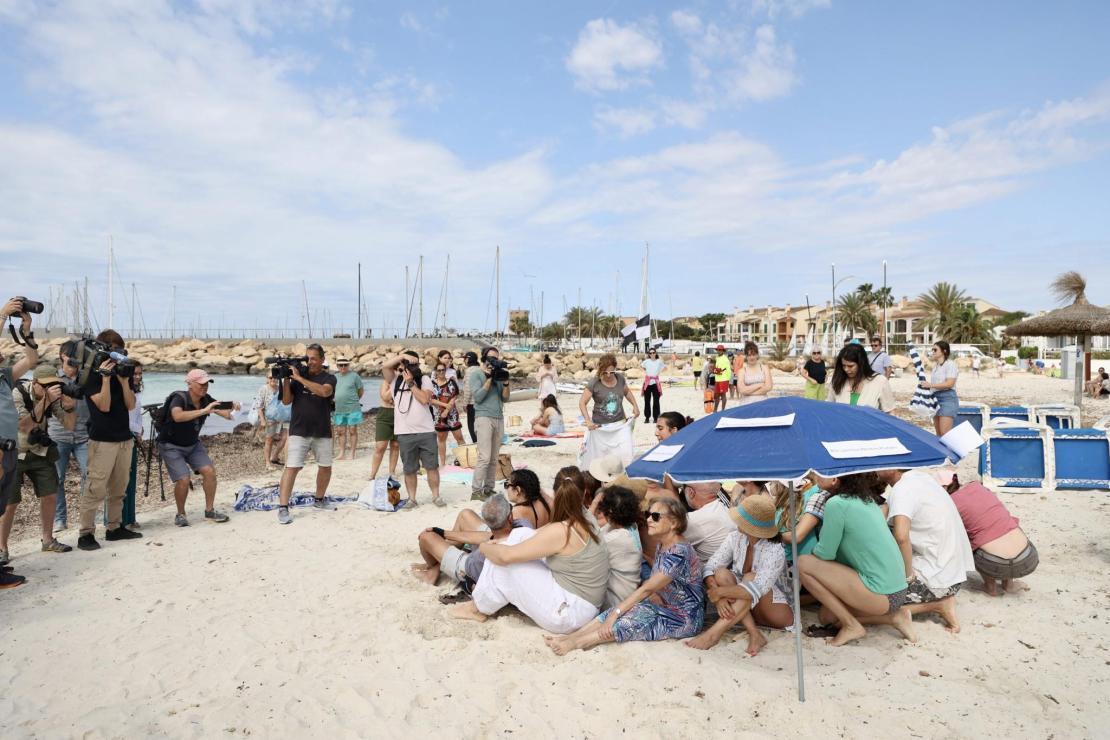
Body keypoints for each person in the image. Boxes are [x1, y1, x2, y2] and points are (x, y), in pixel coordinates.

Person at [545, 496, 704, 655]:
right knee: (618, 610)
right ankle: (572, 636)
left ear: (674, 523)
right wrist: (617, 612)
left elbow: (647, 588)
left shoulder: (679, 553)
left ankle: (577, 643)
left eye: (655, 516)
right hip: (663, 603)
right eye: (648, 514)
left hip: (684, 618)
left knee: (630, 620)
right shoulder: (664, 543)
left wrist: (616, 614)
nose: (649, 519)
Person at [450, 480, 609, 634]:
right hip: (580, 603)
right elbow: (531, 537)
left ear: (555, 500)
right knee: (518, 534)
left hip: (572, 613)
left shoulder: (562, 530)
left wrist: (485, 547)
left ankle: (478, 608)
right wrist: (502, 543)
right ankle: (482, 601)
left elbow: (506, 557)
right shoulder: (587, 518)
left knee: (502, 562)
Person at [796, 472, 915, 647]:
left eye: (821, 473)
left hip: (880, 592)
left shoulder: (836, 504)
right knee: (827, 617)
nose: (816, 475)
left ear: (835, 479)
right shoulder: (865, 500)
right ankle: (894, 617)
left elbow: (826, 553)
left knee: (803, 563)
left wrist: (812, 549)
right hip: (896, 590)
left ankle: (851, 625)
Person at [687, 495, 793, 655]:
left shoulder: (775, 549)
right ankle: (754, 633)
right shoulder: (735, 537)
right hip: (746, 609)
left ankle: (713, 634)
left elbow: (757, 589)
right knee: (721, 574)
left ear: (752, 526)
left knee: (750, 578)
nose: (736, 521)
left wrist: (719, 593)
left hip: (777, 614)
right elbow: (711, 565)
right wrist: (719, 595)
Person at [878, 468, 974, 633]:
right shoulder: (923, 479)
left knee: (866, 600)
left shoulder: (902, 489)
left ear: (893, 468)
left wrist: (908, 576)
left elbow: (901, 536)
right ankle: (937, 603)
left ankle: (935, 605)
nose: (874, 468)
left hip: (936, 579)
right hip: (953, 574)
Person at [0, 365, 76, 564]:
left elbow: (70, 425)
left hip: (40, 451)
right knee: (10, 503)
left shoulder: (53, 397)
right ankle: (2, 548)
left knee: (50, 494)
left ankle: (48, 540)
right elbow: (23, 425)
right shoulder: (17, 393)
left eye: (55, 384)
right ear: (35, 383)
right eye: (46, 385)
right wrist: (45, 401)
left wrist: (70, 406)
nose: (52, 388)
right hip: (14, 451)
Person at [78, 329, 142, 550]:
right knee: (95, 488)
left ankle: (114, 528)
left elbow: (131, 405)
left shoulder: (122, 373)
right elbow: (103, 405)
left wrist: (124, 381)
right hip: (102, 440)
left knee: (118, 488)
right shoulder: (89, 375)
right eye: (114, 350)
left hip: (124, 438)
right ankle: (85, 533)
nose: (118, 355)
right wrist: (105, 379)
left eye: (121, 350)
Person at [156, 368, 236, 527]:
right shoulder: (179, 398)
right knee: (184, 479)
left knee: (210, 472)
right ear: (190, 384)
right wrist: (204, 411)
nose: (204, 387)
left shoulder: (206, 399)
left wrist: (234, 408)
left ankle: (210, 510)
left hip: (192, 444)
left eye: (207, 384)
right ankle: (180, 514)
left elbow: (225, 413)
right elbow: (177, 416)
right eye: (201, 384)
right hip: (170, 445)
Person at [938, 471, 1038, 597]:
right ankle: (1009, 584)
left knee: (970, 539)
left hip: (994, 563)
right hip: (1027, 558)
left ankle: (990, 587)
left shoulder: (950, 503)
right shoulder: (977, 486)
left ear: (943, 488)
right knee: (1003, 523)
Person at [275, 344, 337, 524]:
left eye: (314, 358)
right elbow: (286, 401)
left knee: (325, 466)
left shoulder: (329, 378)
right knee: (292, 467)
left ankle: (319, 500)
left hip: (322, 430)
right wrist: (287, 379)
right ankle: (283, 507)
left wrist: (300, 379)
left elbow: (324, 392)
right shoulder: (297, 376)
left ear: (322, 360)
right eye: (307, 358)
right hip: (299, 430)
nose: (309, 362)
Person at [0, 299, 38, 587]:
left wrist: (26, 331)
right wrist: (2, 315)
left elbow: (31, 362)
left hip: (9, 448)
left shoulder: (4, 377)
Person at [381, 350, 442, 509]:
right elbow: (385, 366)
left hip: (426, 431)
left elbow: (424, 399)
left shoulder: (424, 379)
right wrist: (402, 357)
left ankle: (436, 496)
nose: (408, 367)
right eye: (405, 364)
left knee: (431, 467)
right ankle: (412, 499)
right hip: (404, 432)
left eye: (412, 364)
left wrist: (411, 383)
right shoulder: (394, 380)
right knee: (409, 469)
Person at [412, 493, 515, 587]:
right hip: (493, 544)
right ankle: (439, 562)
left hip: (471, 567)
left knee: (425, 537)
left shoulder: (490, 546)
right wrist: (444, 533)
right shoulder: (523, 526)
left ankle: (433, 569)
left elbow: (487, 540)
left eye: (509, 484)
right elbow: (488, 536)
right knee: (465, 515)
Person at [50, 339, 90, 531]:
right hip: (58, 436)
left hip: (84, 435)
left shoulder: (86, 379)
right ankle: (60, 519)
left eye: (79, 358)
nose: (76, 361)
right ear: (63, 357)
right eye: (72, 357)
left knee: (89, 475)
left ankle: (87, 514)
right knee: (57, 479)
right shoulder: (52, 379)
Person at [469, 347, 510, 502]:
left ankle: (489, 488)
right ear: (484, 358)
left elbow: (505, 398)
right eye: (492, 357)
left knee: (493, 458)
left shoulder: (499, 374)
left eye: (497, 357)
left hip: (498, 417)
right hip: (483, 417)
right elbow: (478, 397)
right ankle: (476, 491)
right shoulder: (476, 375)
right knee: (484, 457)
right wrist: (489, 379)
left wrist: (505, 383)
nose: (494, 360)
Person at [594, 485, 643, 609]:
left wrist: (594, 503)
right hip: (626, 594)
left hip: (615, 603)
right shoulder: (631, 526)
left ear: (609, 512)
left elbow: (584, 543)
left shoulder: (617, 539)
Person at [828, 343, 895, 412]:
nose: (846, 369)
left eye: (850, 366)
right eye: (843, 366)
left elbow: (890, 412)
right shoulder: (837, 381)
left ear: (861, 364)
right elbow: (830, 408)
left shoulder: (880, 381)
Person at [579, 354, 639, 430]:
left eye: (611, 372)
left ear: (615, 368)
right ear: (600, 370)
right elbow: (582, 402)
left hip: (620, 423)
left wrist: (635, 406)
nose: (608, 375)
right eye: (605, 372)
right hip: (600, 426)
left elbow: (627, 392)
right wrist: (587, 420)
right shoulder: (594, 382)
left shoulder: (620, 378)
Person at [678, 482, 734, 564]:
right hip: (726, 569)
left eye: (683, 489)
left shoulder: (695, 519)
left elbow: (667, 543)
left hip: (708, 574)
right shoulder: (724, 508)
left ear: (691, 492)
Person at [119, 360, 143, 529]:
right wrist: (137, 429)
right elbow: (125, 418)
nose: (137, 377)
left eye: (140, 373)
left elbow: (136, 414)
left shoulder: (136, 390)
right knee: (121, 481)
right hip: (123, 436)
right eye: (134, 373)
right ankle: (119, 520)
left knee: (131, 479)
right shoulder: (121, 390)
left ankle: (130, 517)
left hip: (133, 436)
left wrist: (140, 430)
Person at [921, 340, 959, 436]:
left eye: (935, 350)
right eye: (932, 350)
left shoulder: (950, 364)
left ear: (944, 351)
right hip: (935, 398)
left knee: (945, 433)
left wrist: (930, 385)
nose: (933, 352)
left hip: (947, 398)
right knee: (939, 435)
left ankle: (950, 451)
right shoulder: (935, 367)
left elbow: (949, 383)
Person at [431, 361, 464, 467]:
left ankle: (463, 459)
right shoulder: (432, 384)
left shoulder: (451, 382)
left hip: (452, 414)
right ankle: (443, 463)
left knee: (459, 437)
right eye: (439, 370)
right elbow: (431, 400)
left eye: (443, 370)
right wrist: (444, 406)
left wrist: (446, 410)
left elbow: (454, 397)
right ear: (435, 371)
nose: (441, 372)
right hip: (438, 415)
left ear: (446, 371)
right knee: (441, 439)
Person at [331, 357, 364, 461]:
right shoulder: (334, 377)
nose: (343, 367)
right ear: (337, 366)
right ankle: (342, 453)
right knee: (341, 431)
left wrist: (355, 400)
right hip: (339, 409)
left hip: (353, 408)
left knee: (352, 430)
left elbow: (361, 390)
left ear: (348, 365)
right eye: (341, 365)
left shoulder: (354, 376)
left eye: (345, 365)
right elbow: (331, 391)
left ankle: (352, 453)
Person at [368, 375, 399, 480]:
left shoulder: (405, 382)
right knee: (380, 446)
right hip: (385, 415)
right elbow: (385, 397)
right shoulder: (387, 382)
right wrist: (394, 383)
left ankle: (392, 472)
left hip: (399, 415)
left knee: (395, 445)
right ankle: (372, 474)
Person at [257, 376, 289, 468]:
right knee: (269, 440)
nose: (273, 379)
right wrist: (262, 420)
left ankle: (274, 456)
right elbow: (258, 405)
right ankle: (268, 463)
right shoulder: (264, 389)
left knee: (285, 438)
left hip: (282, 417)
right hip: (269, 419)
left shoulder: (281, 388)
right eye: (271, 377)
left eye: (276, 377)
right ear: (267, 378)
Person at [737, 341, 773, 406]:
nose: (752, 357)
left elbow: (768, 387)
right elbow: (741, 390)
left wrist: (748, 392)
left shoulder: (765, 368)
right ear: (746, 356)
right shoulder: (742, 371)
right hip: (746, 405)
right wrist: (759, 385)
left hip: (763, 404)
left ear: (757, 355)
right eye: (749, 355)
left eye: (753, 355)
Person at [459, 351, 482, 444]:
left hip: (472, 403)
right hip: (481, 402)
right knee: (480, 425)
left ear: (468, 359)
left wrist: (465, 404)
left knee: (472, 425)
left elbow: (468, 389)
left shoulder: (469, 371)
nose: (464, 360)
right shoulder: (480, 369)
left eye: (465, 358)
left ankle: (476, 443)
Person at [641, 348, 664, 423]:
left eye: (653, 353)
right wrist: (648, 372)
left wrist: (657, 373)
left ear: (656, 353)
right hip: (647, 382)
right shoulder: (646, 361)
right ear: (649, 354)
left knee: (656, 401)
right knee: (647, 401)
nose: (652, 354)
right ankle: (647, 417)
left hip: (655, 382)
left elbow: (664, 368)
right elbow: (642, 366)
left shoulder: (659, 361)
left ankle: (656, 417)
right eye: (650, 353)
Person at [712, 344, 732, 411]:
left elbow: (726, 369)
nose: (719, 351)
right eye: (718, 350)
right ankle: (715, 410)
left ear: (723, 351)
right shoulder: (717, 358)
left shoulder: (725, 359)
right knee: (716, 396)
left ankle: (722, 410)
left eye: (720, 350)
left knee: (723, 395)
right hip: (717, 379)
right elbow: (716, 368)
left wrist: (728, 379)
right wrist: (714, 369)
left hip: (724, 379)